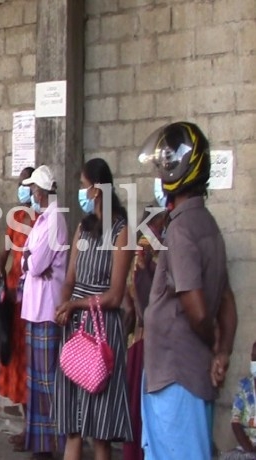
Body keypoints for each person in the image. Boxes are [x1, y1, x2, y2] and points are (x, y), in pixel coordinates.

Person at [138, 122, 238, 460]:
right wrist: (222, 351)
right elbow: (226, 301)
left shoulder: (180, 231)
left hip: (176, 376)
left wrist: (212, 345)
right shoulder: (206, 224)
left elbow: (196, 309)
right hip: (184, 374)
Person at [53, 158, 132, 460]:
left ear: (98, 190)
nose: (82, 192)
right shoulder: (83, 229)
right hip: (75, 330)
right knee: (73, 426)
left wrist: (76, 304)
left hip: (102, 333)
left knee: (100, 430)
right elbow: (70, 278)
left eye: (85, 186)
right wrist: (64, 305)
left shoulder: (122, 231)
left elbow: (114, 295)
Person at [19, 165, 67, 457]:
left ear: (41, 191)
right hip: (35, 308)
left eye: (34, 190)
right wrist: (30, 262)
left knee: (49, 380)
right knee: (36, 379)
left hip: (48, 309)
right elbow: (30, 260)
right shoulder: (42, 221)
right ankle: (41, 443)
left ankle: (55, 442)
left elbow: (35, 264)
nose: (32, 194)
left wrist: (30, 262)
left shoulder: (55, 222)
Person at [121, 203, 166, 460]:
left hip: (138, 334)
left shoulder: (143, 242)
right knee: (143, 400)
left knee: (138, 399)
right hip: (147, 333)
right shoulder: (150, 244)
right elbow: (141, 289)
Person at [0, 166, 36, 447]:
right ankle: (27, 428)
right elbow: (6, 252)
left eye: (26, 184)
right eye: (20, 184)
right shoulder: (16, 218)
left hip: (31, 301)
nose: (21, 189)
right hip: (12, 299)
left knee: (33, 366)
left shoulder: (42, 220)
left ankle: (34, 430)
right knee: (16, 362)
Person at [221, 341, 256, 460]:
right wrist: (249, 450)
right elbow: (236, 422)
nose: (254, 362)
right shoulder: (244, 386)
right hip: (248, 447)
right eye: (253, 357)